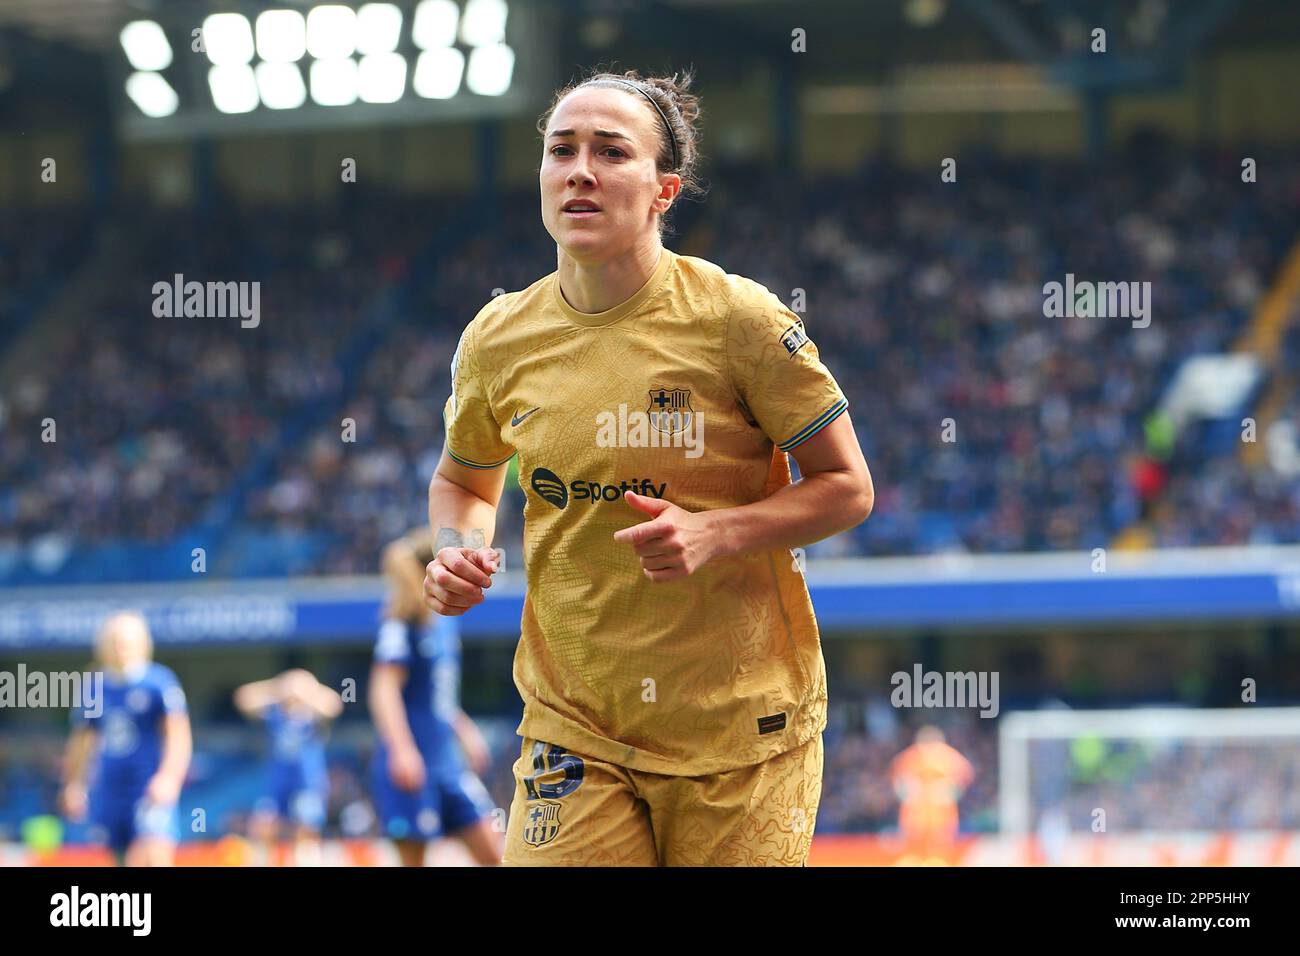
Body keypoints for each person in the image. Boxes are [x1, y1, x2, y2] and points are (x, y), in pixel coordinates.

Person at [424, 68, 874, 866]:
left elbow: (848, 489)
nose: (580, 170)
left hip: (740, 729)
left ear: (664, 190)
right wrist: (456, 546)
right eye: (561, 150)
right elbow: (465, 481)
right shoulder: (498, 338)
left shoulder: (739, 319)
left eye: (611, 151)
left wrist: (718, 533)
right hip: (576, 727)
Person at [370, 532, 501, 866]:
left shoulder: (442, 624)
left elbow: (437, 695)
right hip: (414, 761)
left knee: (498, 855)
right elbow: (383, 690)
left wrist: (465, 732)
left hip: (449, 764)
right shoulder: (402, 624)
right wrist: (401, 750)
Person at [60, 611, 192, 867]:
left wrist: (169, 777)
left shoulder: (159, 682)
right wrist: (74, 783)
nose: (120, 648)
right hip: (110, 787)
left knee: (154, 852)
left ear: (142, 644)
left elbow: (179, 736)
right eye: (114, 641)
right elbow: (82, 740)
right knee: (118, 858)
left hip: (147, 785)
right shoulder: (95, 687)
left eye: (126, 641)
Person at [233, 669, 343, 866]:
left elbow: (335, 704)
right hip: (276, 781)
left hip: (307, 782)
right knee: (264, 826)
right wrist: (277, 686)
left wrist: (309, 688)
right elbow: (242, 697)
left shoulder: (313, 714)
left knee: (306, 830)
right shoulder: (274, 713)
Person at [889, 725, 975, 863]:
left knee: (940, 839)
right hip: (916, 808)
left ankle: (937, 861)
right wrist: (907, 792)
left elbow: (964, 776)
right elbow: (898, 778)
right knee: (913, 838)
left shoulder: (949, 757)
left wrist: (950, 791)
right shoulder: (911, 756)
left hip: (940, 809)